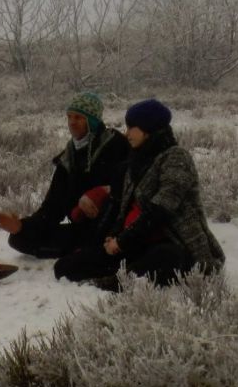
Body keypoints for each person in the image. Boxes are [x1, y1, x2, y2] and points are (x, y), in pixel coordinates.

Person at [53, 98, 226, 289]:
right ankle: (126, 274)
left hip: (173, 244)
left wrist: (122, 241)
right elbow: (123, 209)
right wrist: (113, 236)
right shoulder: (134, 162)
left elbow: (160, 210)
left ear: (147, 129)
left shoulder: (176, 158)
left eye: (131, 127)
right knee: (64, 267)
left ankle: (116, 282)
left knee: (167, 258)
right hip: (136, 243)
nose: (126, 134)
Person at [0, 92, 129, 259]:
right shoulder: (68, 159)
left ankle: (93, 251)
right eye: (69, 117)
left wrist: (104, 192)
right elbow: (52, 208)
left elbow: (133, 185)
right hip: (83, 230)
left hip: (117, 229)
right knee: (19, 239)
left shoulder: (116, 145)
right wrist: (21, 226)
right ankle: (85, 250)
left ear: (92, 120)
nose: (72, 122)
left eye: (78, 117)